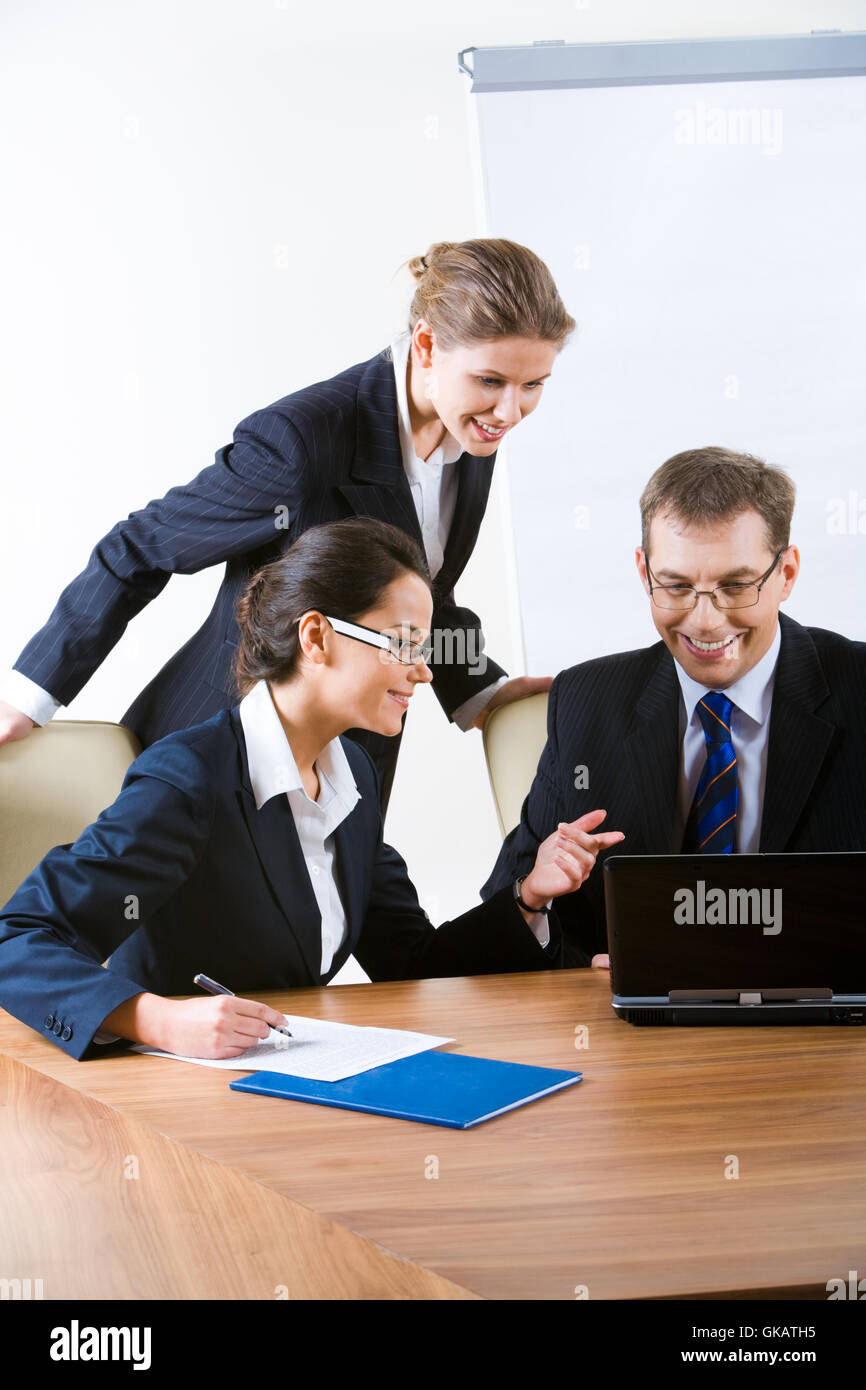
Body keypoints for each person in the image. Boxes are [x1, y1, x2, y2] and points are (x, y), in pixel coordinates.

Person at [0, 519, 622, 1062]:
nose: (425, 670)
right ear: (317, 636)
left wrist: (528, 898)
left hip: (282, 1079)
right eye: (404, 643)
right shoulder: (190, 777)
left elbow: (410, 963)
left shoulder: (352, 774)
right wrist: (158, 1019)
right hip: (174, 1094)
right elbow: (17, 941)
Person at [0, 239, 576, 813]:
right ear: (427, 344)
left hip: (351, 760)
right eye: (492, 381)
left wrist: (482, 689)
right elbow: (140, 547)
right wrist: (30, 695)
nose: (511, 412)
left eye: (534, 385)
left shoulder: (473, 429)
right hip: (222, 750)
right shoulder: (300, 442)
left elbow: (420, 587)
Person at [481, 446, 866, 968]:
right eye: (677, 586)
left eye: (735, 586)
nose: (705, 621)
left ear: (787, 574)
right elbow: (507, 914)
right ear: (644, 573)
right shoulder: (586, 702)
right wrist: (545, 915)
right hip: (641, 1032)